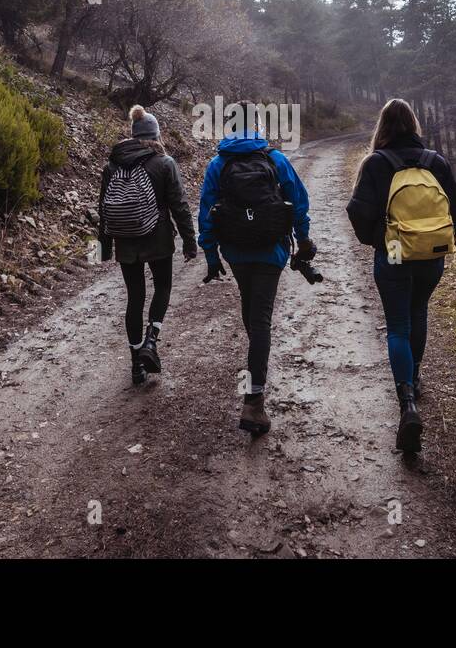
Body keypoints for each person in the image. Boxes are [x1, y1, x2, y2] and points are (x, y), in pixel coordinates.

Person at [346, 99, 456, 453]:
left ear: (382, 126)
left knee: (398, 325)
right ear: (413, 124)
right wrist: (439, 241)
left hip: (395, 253)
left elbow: (357, 212)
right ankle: (414, 377)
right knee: (419, 313)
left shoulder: (376, 163)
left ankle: (408, 403)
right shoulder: (436, 162)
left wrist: (379, 240)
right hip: (431, 256)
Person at [197, 102, 312, 435]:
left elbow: (206, 212)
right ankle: (254, 401)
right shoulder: (275, 160)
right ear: (257, 126)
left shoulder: (217, 164)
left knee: (252, 312)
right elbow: (299, 203)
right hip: (271, 250)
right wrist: (303, 241)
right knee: (259, 319)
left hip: (236, 251)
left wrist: (211, 253)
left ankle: (255, 383)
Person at [98, 105, 197, 386]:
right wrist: (190, 242)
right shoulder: (164, 163)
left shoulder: (112, 164)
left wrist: (103, 248)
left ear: (132, 133)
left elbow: (103, 208)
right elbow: (179, 205)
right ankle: (151, 344)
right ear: (155, 134)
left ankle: (135, 366)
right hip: (159, 238)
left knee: (135, 297)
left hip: (125, 241)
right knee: (163, 286)